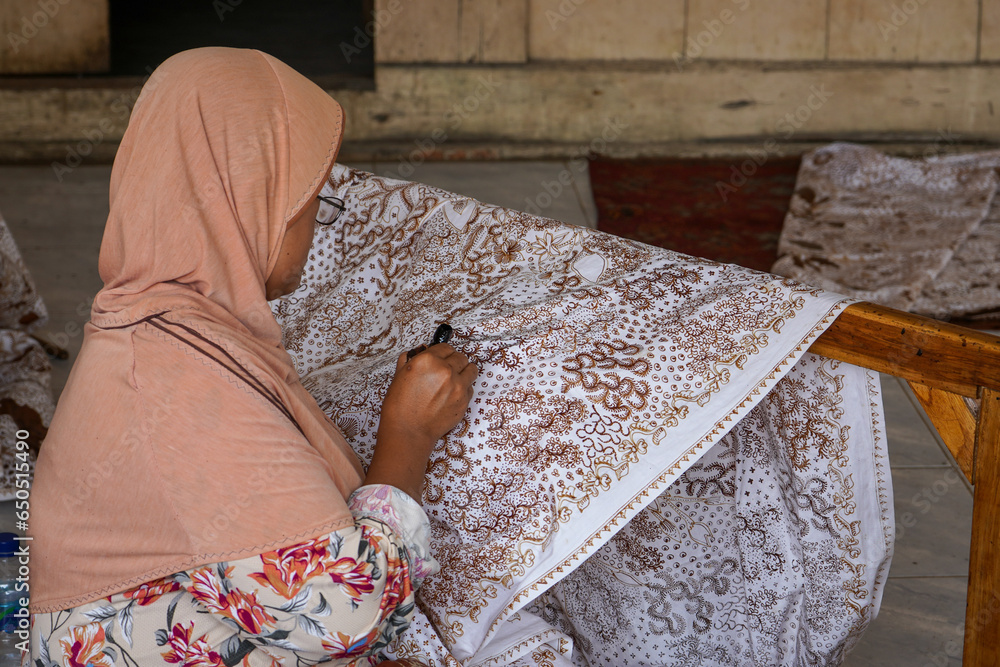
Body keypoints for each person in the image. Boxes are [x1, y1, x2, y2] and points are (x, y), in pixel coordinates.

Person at [27, 47, 476, 666]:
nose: (316, 226)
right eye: (310, 201)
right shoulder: (172, 374)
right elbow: (344, 616)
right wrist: (409, 434)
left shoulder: (166, 327)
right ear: (248, 199)